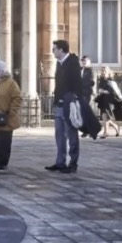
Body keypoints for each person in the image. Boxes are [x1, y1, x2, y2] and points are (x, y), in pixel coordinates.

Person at [47, 39, 86, 173]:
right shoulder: (59, 63)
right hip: (59, 103)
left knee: (71, 134)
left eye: (54, 49)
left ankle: (73, 163)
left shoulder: (73, 63)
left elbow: (78, 85)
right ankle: (60, 161)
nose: (53, 52)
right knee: (59, 134)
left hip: (69, 104)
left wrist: (75, 100)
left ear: (61, 50)